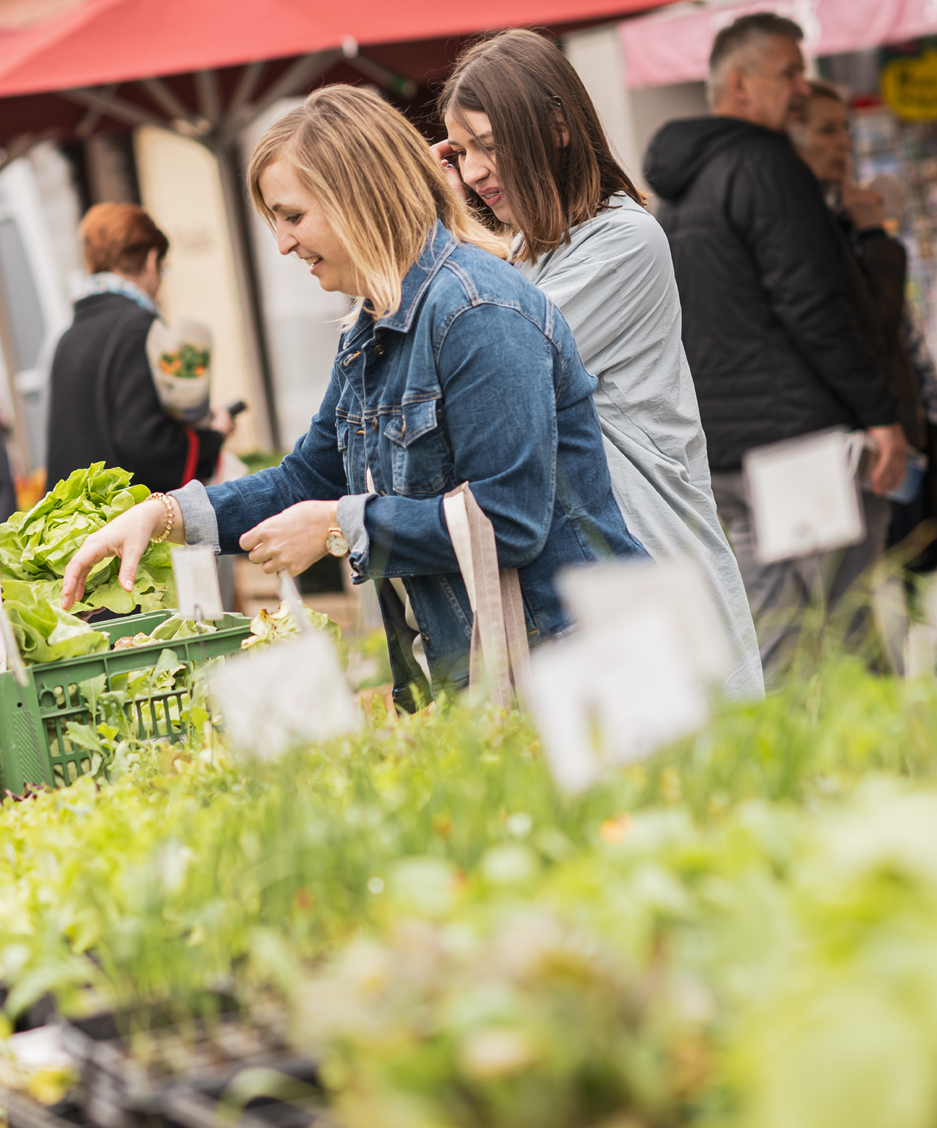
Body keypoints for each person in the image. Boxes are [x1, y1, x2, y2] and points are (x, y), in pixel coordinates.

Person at [61, 85, 645, 698]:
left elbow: (509, 521)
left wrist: (338, 526)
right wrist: (162, 515)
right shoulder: (372, 328)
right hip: (482, 677)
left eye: (292, 216)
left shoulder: (477, 312)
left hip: (581, 672)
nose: (283, 244)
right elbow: (305, 481)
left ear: (355, 199)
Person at [436, 28, 763, 701]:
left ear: (556, 127)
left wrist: (443, 227)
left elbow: (494, 361)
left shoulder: (623, 241)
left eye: (489, 147)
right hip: (588, 586)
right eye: (461, 152)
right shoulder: (522, 254)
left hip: (656, 562)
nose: (472, 174)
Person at [643, 12, 908, 678]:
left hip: (725, 453)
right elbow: (814, 306)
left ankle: (794, 776)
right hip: (796, 448)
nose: (801, 86)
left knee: (779, 646)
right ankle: (873, 776)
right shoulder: (767, 164)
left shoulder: (678, 188)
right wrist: (879, 413)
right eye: (789, 72)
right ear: (740, 84)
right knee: (846, 634)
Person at [789, 81, 937, 572]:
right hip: (867, 445)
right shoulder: (809, 228)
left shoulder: (834, 214)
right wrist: (871, 233)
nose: (844, 142)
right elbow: (876, 324)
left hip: (903, 430)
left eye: (845, 128)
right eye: (827, 130)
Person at [46, 203, 235, 492]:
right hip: (121, 523)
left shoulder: (68, 337)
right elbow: (147, 446)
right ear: (150, 260)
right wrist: (212, 438)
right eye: (163, 269)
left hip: (79, 524)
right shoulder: (140, 328)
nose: (160, 281)